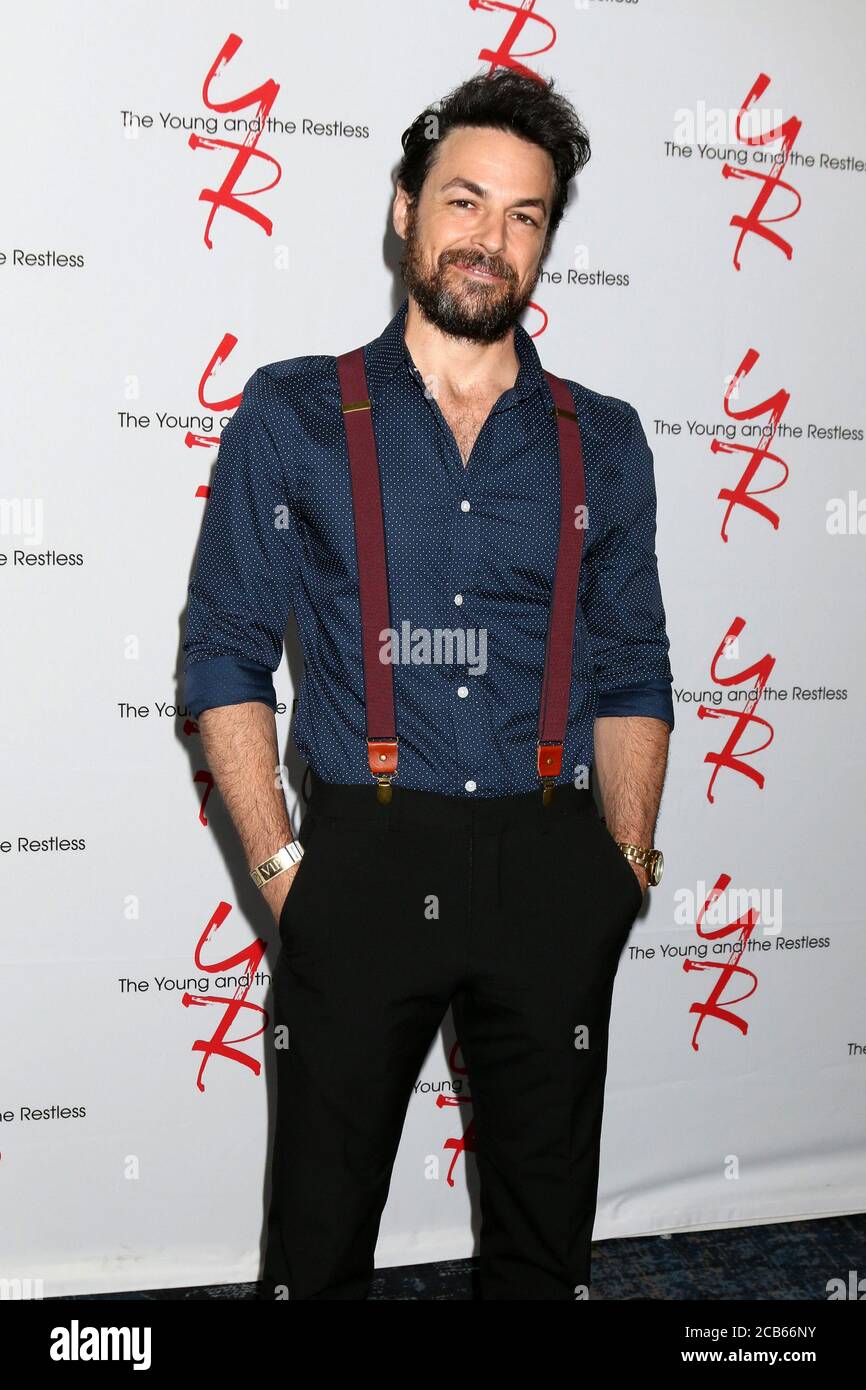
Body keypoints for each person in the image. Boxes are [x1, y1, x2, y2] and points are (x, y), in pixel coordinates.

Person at [182, 68, 674, 1300]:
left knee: (540, 1237)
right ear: (404, 209)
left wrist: (620, 866)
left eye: (524, 215)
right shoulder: (293, 413)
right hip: (362, 856)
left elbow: (630, 667)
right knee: (317, 1232)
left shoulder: (600, 439)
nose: (489, 239)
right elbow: (222, 657)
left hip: (551, 859)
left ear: (546, 239)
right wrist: (285, 872)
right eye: (464, 201)